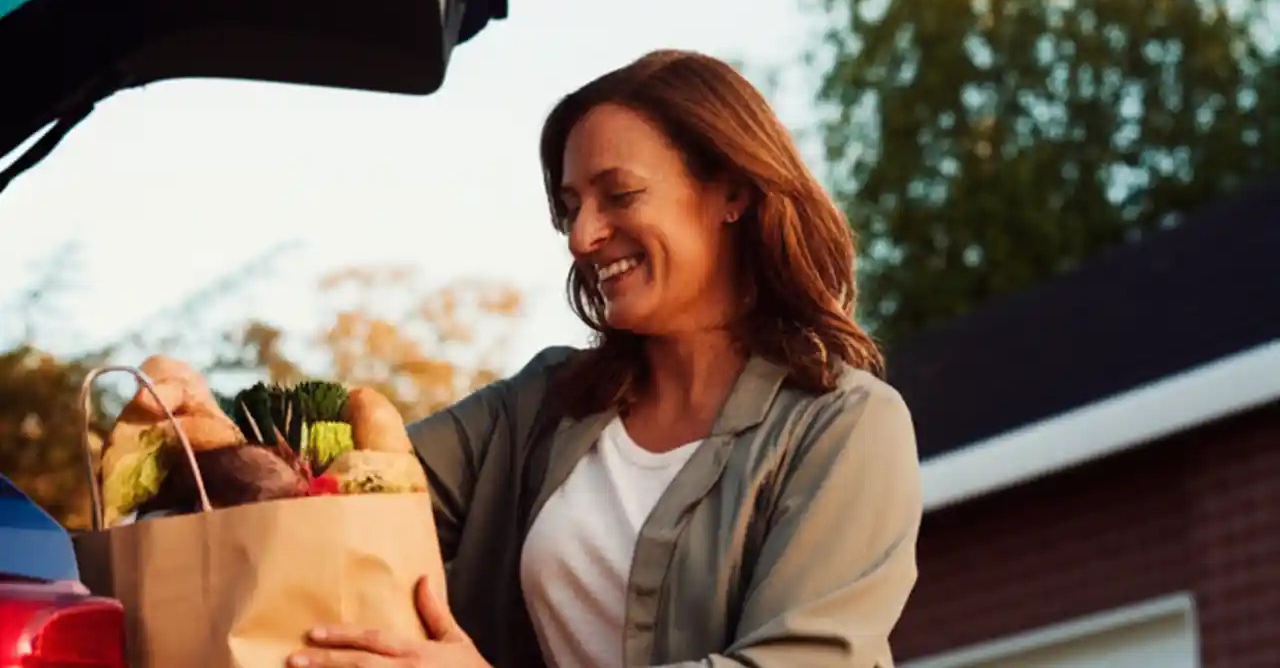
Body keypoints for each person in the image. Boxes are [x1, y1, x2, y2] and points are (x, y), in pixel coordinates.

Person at [288, 49, 922, 668]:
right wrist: (201, 428)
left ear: (731, 191)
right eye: (571, 207)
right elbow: (332, 491)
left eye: (619, 195)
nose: (582, 236)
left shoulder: (845, 426)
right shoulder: (536, 409)